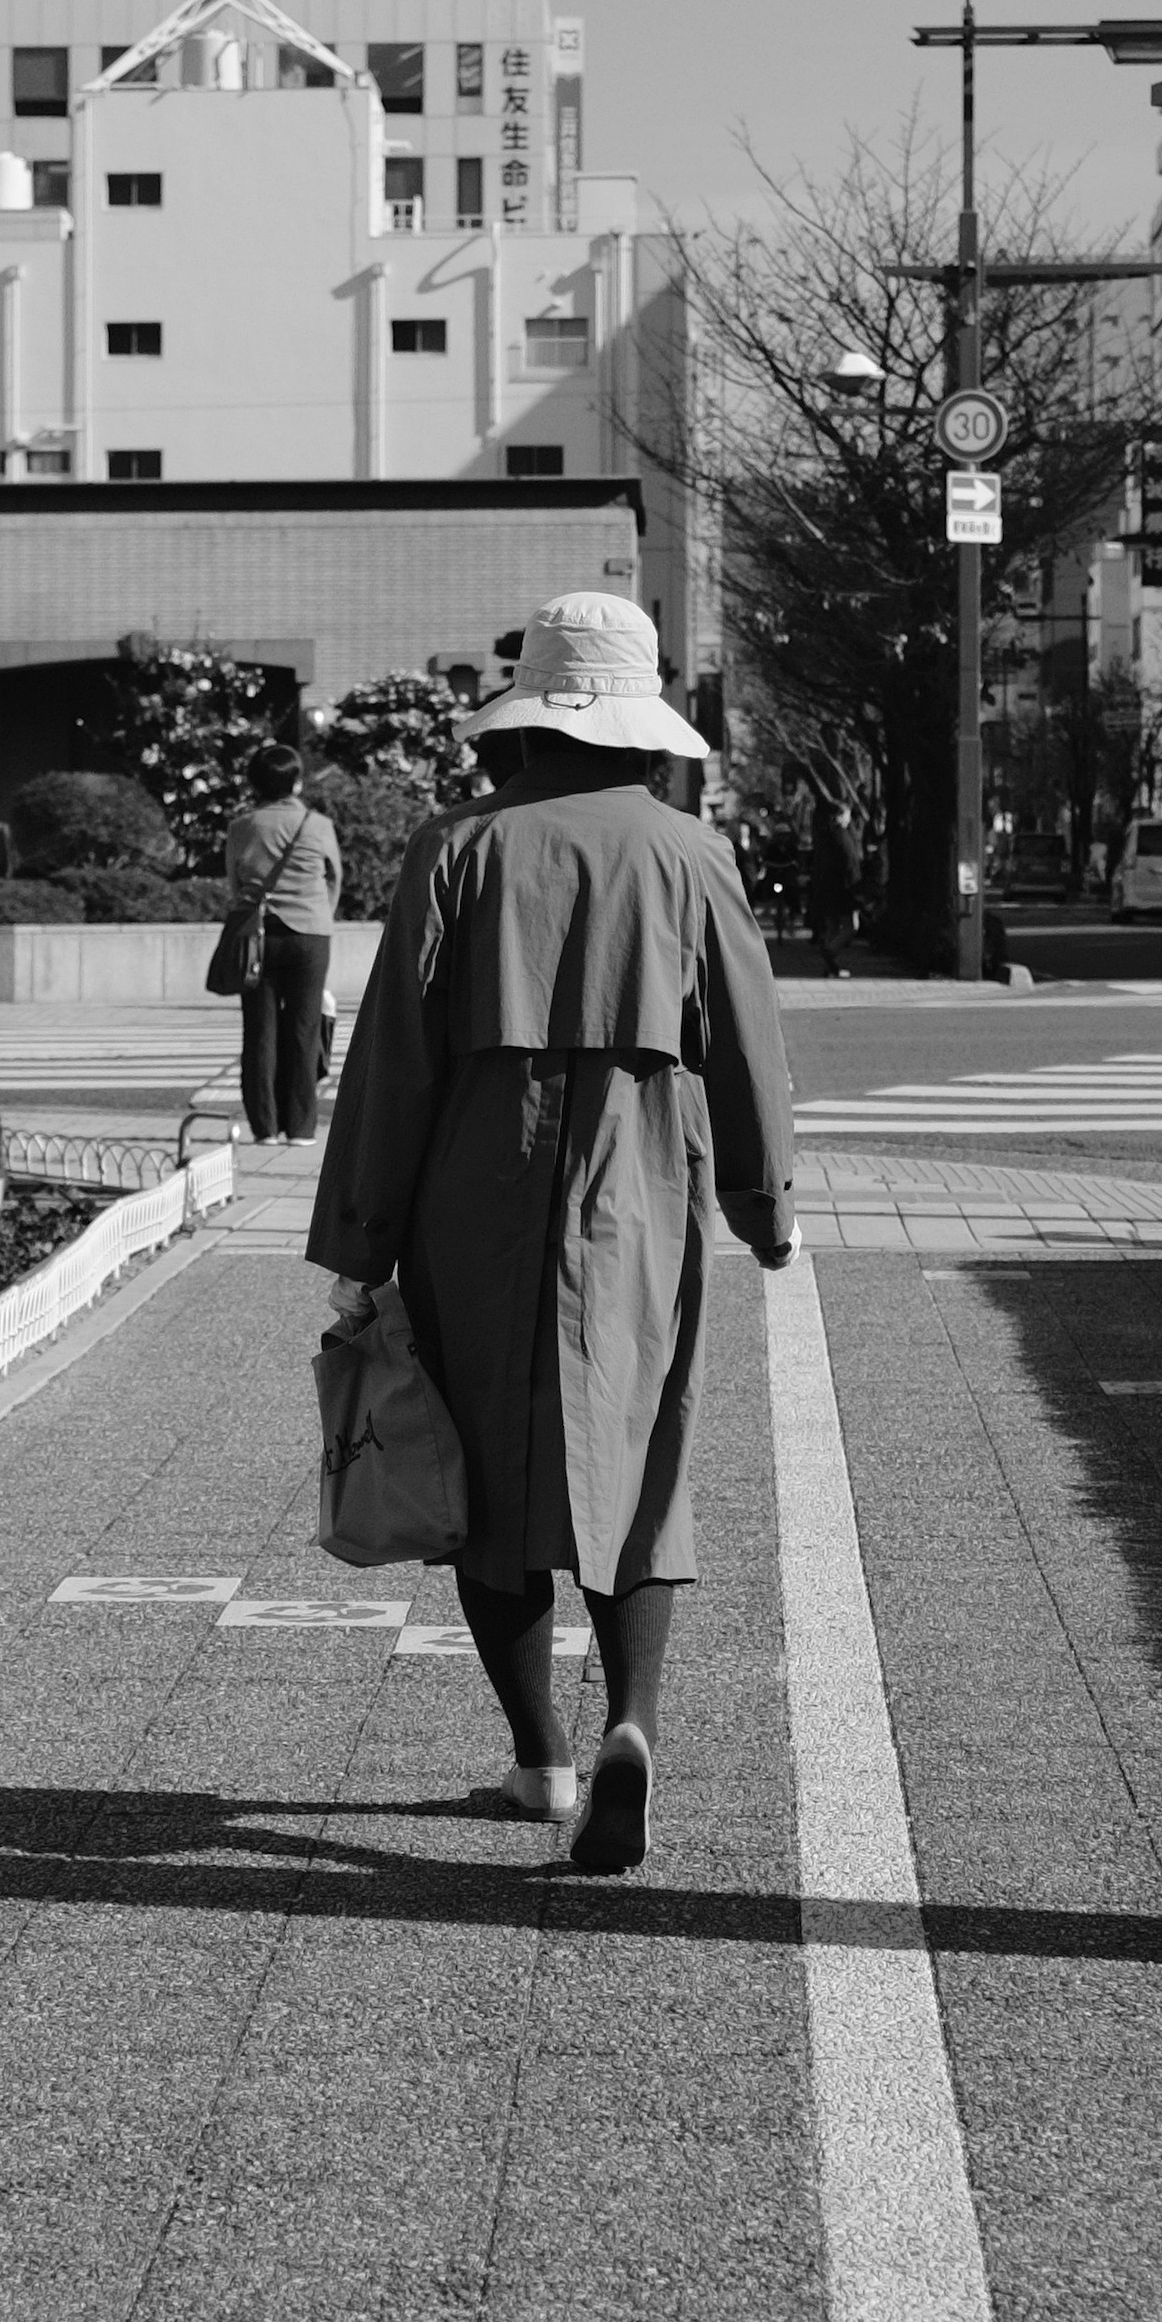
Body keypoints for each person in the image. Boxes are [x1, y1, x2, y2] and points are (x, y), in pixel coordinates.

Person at [308, 591, 796, 1876]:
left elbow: (395, 1062)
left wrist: (363, 1241)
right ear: (641, 725)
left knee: (485, 1476)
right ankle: (632, 1722)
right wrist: (764, 1204)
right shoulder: (694, 857)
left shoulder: (455, 847)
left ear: (528, 716)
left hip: (476, 1184)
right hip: (641, 1183)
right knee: (636, 1463)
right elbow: (746, 1045)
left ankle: (541, 1759)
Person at [222, 753, 344, 1143]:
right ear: (296, 783)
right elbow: (334, 877)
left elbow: (235, 884)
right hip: (310, 936)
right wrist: (319, 914)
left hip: (258, 936)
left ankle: (266, 1127)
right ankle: (302, 1127)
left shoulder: (242, 826)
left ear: (255, 785)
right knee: (305, 1029)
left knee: (259, 1031)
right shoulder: (318, 825)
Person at [804, 802, 858, 978]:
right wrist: (856, 886)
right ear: (841, 816)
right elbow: (850, 863)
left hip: (826, 888)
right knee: (851, 926)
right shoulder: (843, 836)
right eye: (848, 815)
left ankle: (831, 966)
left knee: (832, 927)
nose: (849, 819)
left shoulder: (825, 836)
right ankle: (830, 951)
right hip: (843, 888)